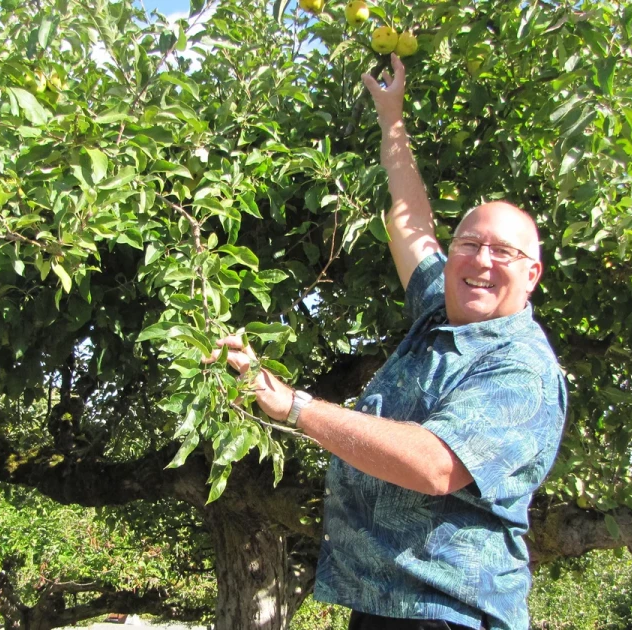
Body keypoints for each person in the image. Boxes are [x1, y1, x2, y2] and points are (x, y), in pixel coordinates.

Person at [212, 54, 568, 630]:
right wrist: (391, 117)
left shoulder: (520, 366)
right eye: (469, 244)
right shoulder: (441, 312)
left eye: (504, 252)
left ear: (532, 274)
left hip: (449, 615)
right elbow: (412, 223)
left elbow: (433, 465)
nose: (481, 260)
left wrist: (297, 407)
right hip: (387, 607)